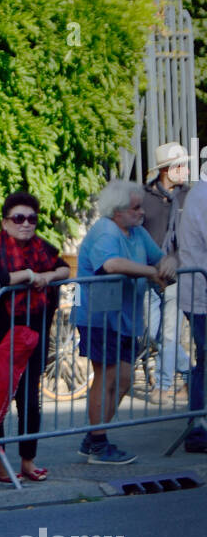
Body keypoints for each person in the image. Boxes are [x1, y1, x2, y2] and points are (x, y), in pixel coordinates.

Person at [73, 180, 176, 465]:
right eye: (135, 208)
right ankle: (97, 444)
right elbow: (111, 264)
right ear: (117, 211)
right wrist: (151, 272)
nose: (141, 212)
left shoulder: (136, 232)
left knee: (124, 379)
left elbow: (160, 257)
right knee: (106, 377)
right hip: (99, 315)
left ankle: (93, 438)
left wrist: (168, 263)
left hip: (125, 318)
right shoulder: (105, 230)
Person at [0, 192, 69, 481]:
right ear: (5, 222)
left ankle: (28, 461)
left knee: (29, 400)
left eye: (32, 219)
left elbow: (62, 266)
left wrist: (47, 277)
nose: (26, 224)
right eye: (19, 218)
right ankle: (0, 465)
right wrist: (28, 275)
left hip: (31, 336)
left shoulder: (42, 248)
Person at [142, 142, 191, 404]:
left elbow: (191, 238)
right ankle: (192, 374)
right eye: (179, 165)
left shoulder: (188, 197)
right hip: (149, 274)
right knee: (153, 333)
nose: (184, 170)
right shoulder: (144, 197)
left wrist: (174, 259)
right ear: (164, 170)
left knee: (169, 332)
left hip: (177, 274)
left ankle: (163, 385)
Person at [177, 161, 207, 454]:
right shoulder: (204, 197)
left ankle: (198, 427)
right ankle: (197, 429)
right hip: (201, 297)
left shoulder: (199, 194)